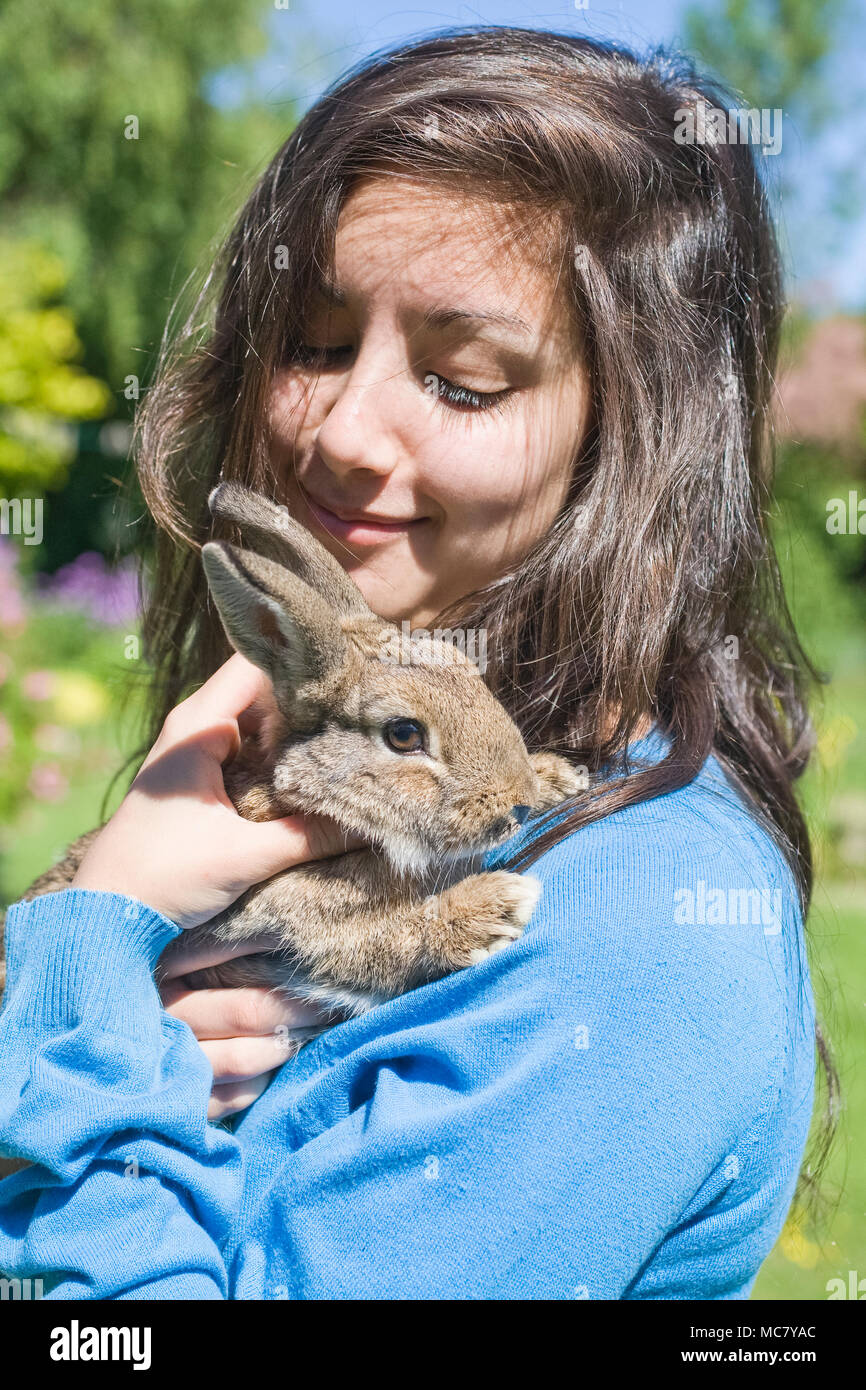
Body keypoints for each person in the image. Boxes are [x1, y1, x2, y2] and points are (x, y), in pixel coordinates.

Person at [0, 28, 823, 1299]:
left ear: (629, 441)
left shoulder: (636, 931)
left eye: (463, 380)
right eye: (317, 345)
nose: (336, 430)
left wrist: (77, 966)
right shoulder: (286, 774)